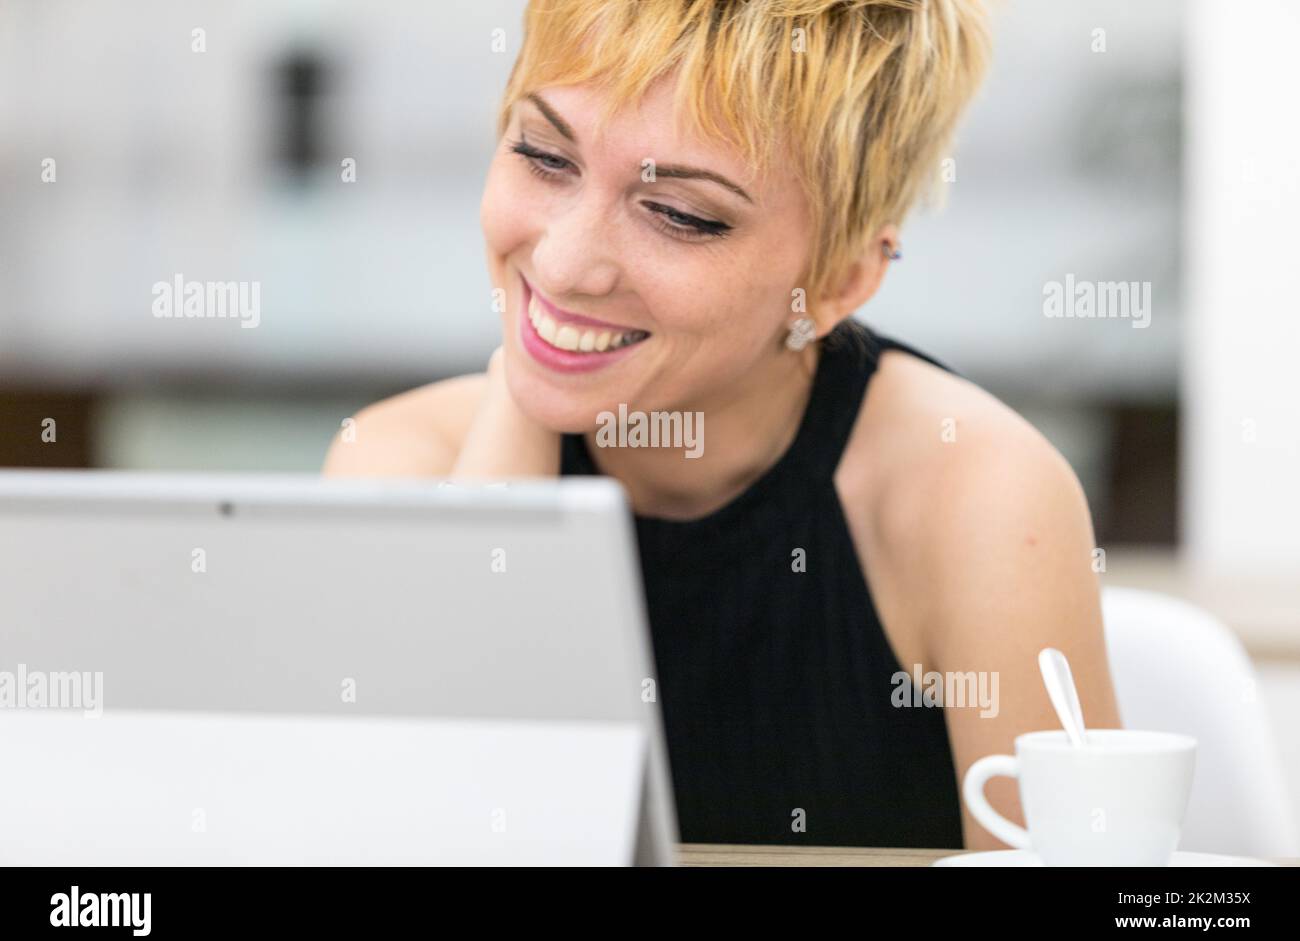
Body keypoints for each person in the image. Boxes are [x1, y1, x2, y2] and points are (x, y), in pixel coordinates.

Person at [325, 0, 1122, 849]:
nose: (560, 262)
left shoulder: (979, 494)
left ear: (840, 282)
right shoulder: (400, 460)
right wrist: (520, 413)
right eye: (543, 156)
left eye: (679, 213)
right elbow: (415, 845)